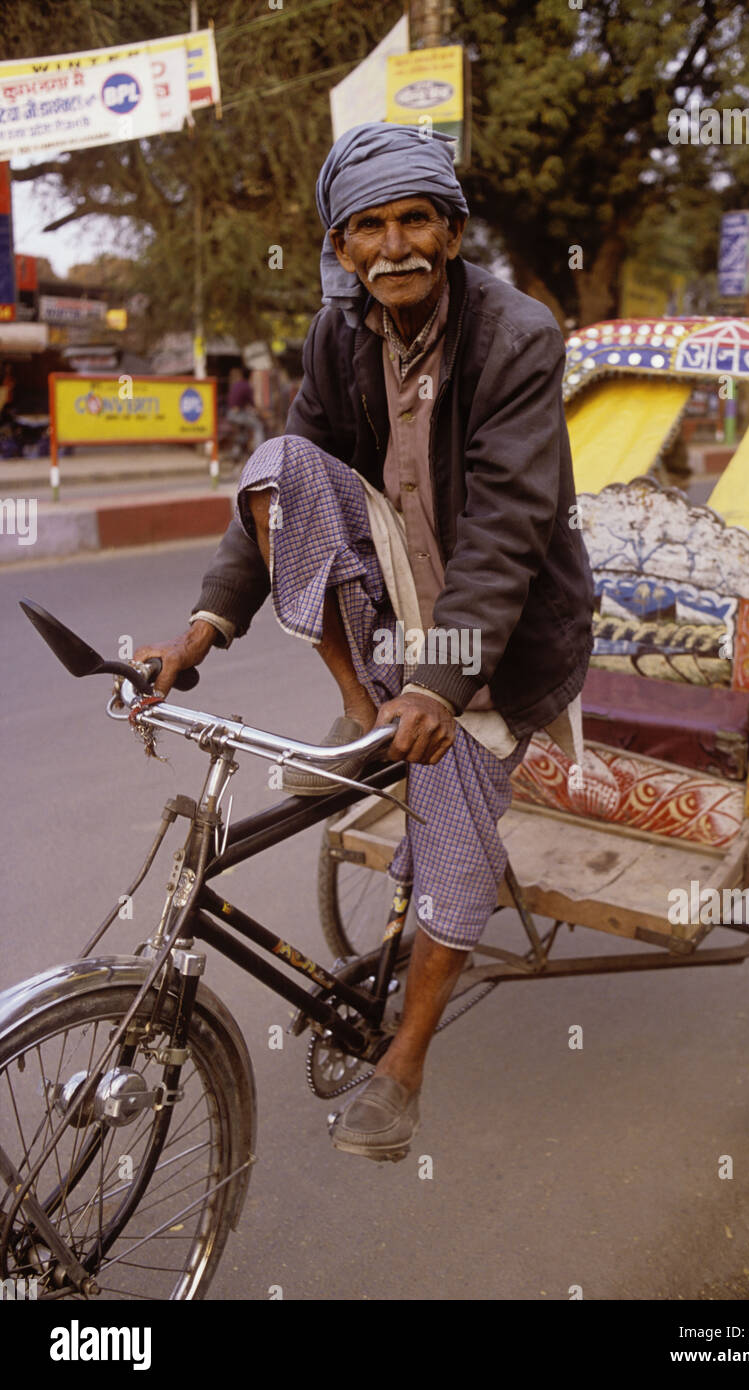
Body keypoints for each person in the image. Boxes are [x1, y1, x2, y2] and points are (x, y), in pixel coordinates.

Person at [134, 121, 594, 1162]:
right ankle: (359, 703)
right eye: (369, 228)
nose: (395, 247)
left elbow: (509, 531)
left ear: (453, 231)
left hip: (500, 625)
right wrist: (202, 630)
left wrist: (438, 685)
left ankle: (408, 1061)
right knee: (281, 464)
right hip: (395, 597)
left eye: (415, 222)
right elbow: (294, 484)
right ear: (341, 248)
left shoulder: (515, 333)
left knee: (457, 832)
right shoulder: (338, 336)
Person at [226, 366, 265, 451]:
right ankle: (260, 450)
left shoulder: (236, 384)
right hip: (237, 415)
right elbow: (253, 404)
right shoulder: (247, 386)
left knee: (242, 431)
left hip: (230, 414)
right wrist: (262, 413)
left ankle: (235, 453)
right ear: (250, 376)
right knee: (258, 426)